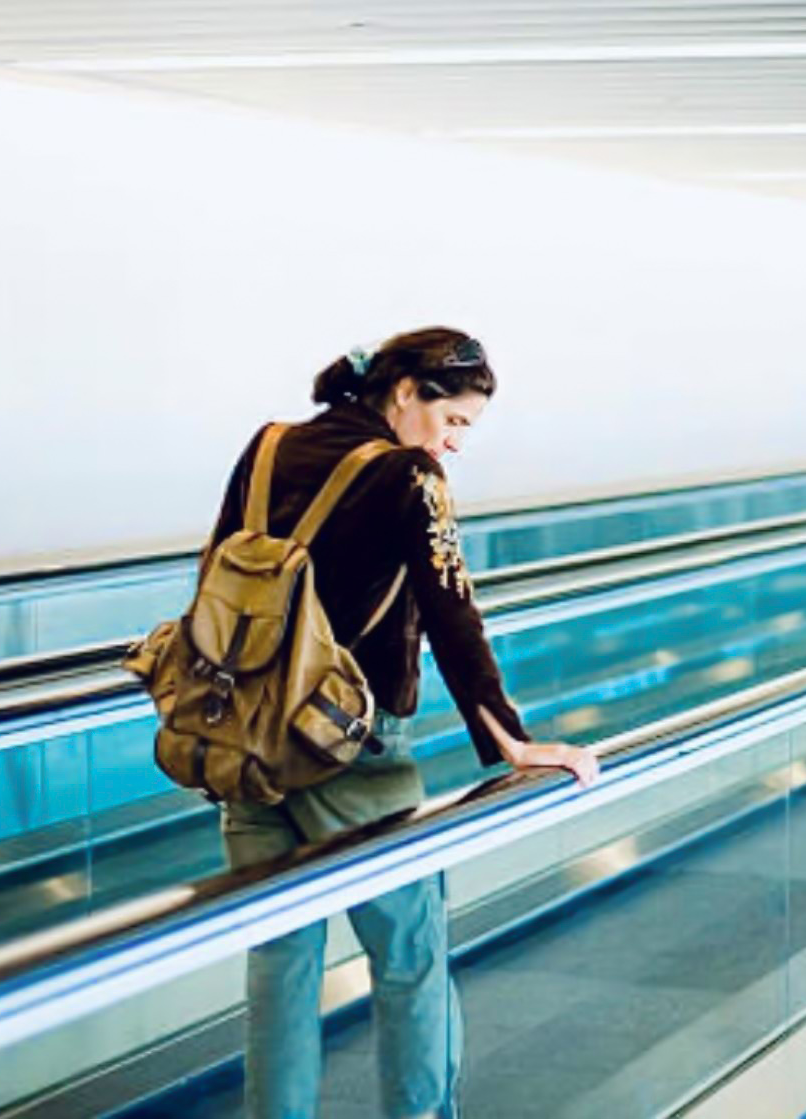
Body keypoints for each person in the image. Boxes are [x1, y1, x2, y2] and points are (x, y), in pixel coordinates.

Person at [206, 327, 600, 1119]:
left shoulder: (268, 445)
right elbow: (454, 614)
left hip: (246, 737)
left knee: (280, 957)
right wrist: (511, 741)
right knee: (410, 954)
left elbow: (217, 571)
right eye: (452, 422)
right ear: (405, 394)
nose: (454, 445)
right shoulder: (409, 476)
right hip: (353, 748)